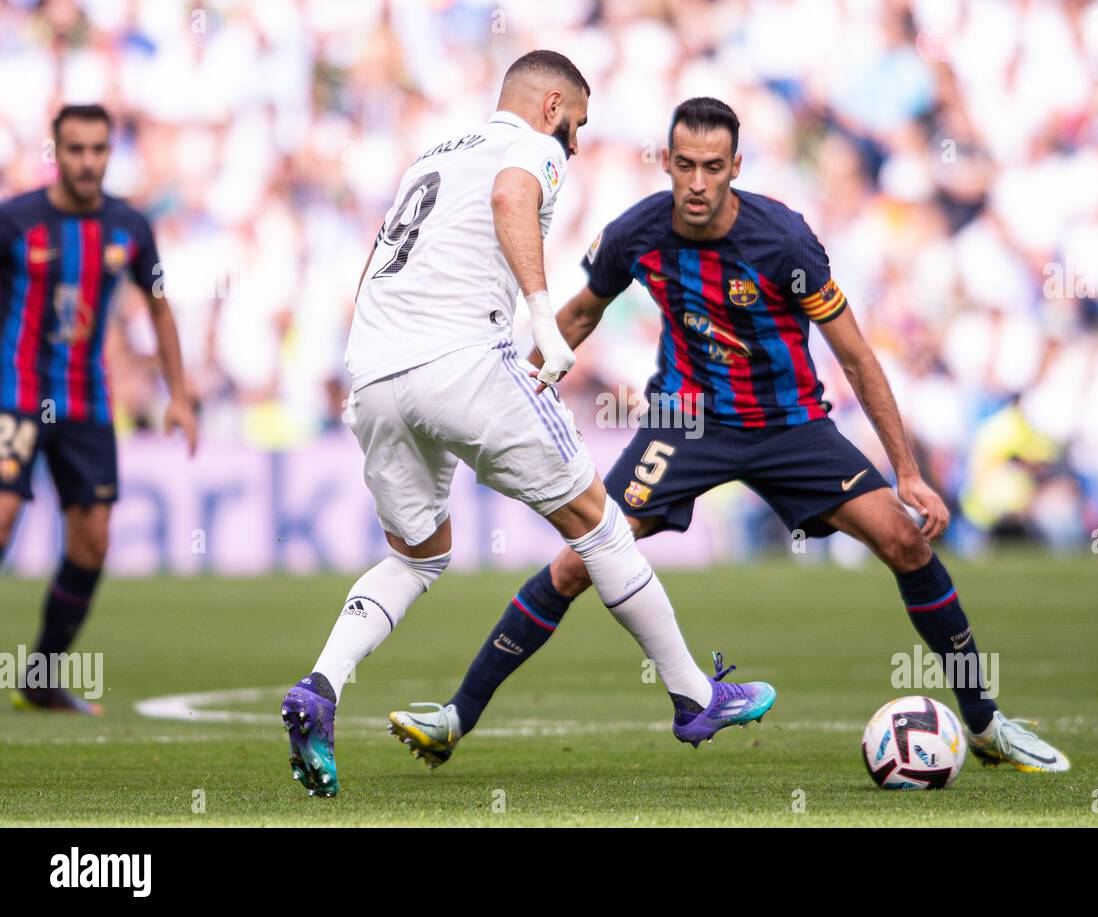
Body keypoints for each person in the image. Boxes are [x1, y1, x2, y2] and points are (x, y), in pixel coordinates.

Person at [419, 97, 1070, 774]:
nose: (696, 182)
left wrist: (906, 471)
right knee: (579, 559)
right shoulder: (635, 234)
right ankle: (455, 716)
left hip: (790, 426)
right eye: (684, 166)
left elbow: (856, 356)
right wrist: (515, 390)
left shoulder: (783, 240)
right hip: (687, 423)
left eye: (711, 167)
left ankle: (987, 722)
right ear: (667, 163)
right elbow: (580, 315)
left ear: (735, 166)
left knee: (905, 539)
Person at [280, 57, 774, 798]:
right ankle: (694, 697)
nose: (574, 145)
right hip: (464, 362)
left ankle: (321, 685)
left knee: (417, 556)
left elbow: (376, 263)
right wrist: (544, 319)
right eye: (576, 125)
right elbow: (515, 194)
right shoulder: (532, 150)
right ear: (551, 106)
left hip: (375, 370)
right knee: (600, 524)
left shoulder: (433, 157)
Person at [0, 104, 198, 715]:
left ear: (110, 154)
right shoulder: (15, 222)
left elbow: (160, 307)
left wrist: (180, 395)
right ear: (55, 152)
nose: (87, 162)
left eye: (98, 150)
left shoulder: (130, 227)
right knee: (2, 514)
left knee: (92, 541)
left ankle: (40, 675)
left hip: (86, 404)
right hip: (16, 398)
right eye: (76, 150)